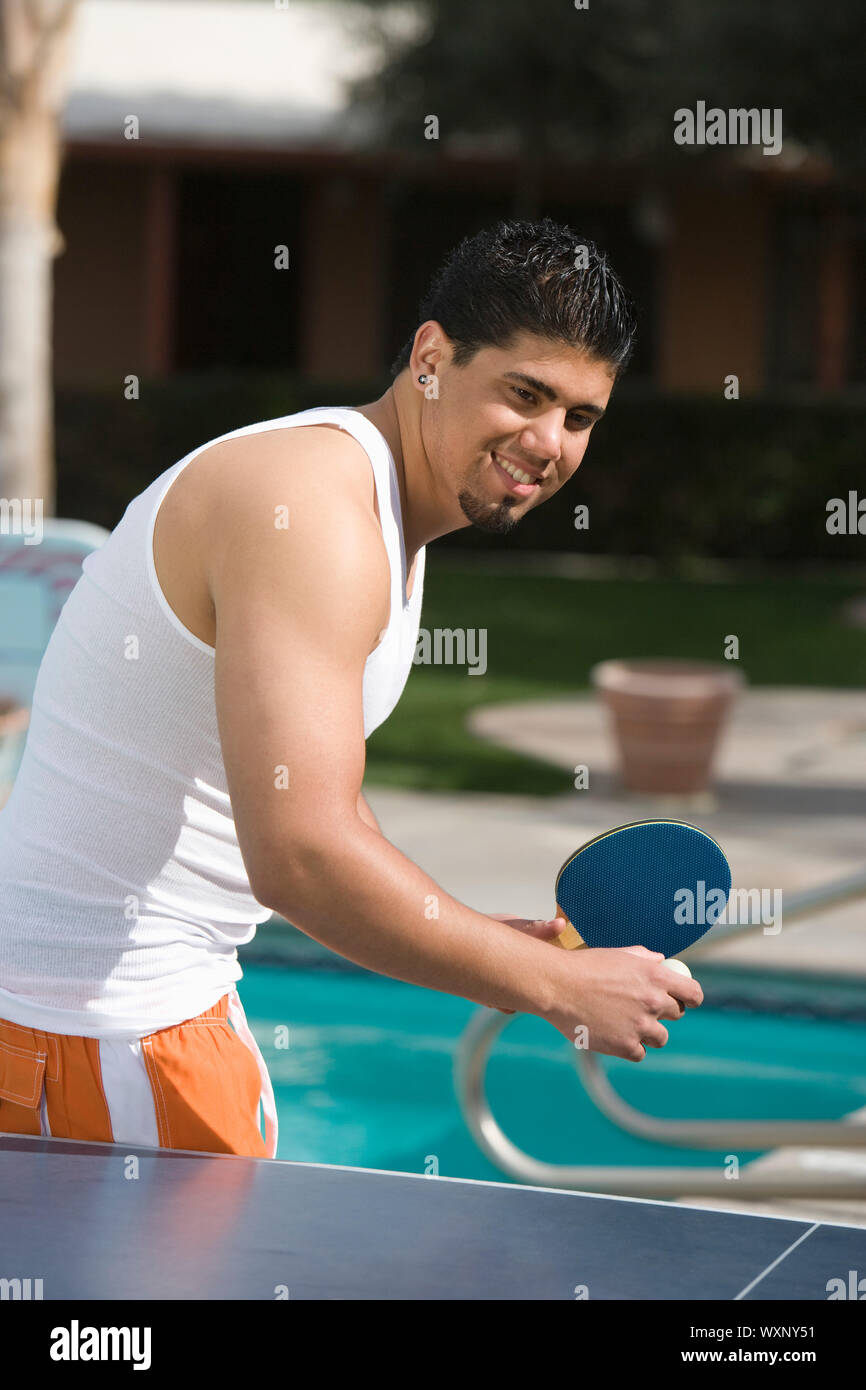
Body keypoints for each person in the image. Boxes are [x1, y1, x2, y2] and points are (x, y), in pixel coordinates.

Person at [0, 219, 701, 1158]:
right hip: (98, 1039)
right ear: (431, 357)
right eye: (526, 394)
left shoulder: (376, 507)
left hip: (123, 1022)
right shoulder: (314, 513)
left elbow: (322, 803)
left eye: (579, 418)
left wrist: (487, 939)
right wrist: (556, 988)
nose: (549, 443)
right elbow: (298, 854)